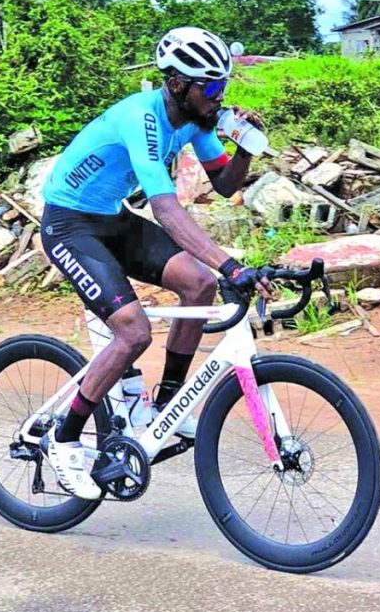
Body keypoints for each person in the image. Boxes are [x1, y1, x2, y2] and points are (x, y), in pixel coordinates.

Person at [39, 27, 270, 499]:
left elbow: (224, 185)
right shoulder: (140, 117)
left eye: (223, 86)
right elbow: (165, 207)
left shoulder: (195, 121)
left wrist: (247, 150)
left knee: (198, 284)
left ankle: (164, 406)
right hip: (68, 225)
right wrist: (232, 266)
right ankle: (63, 439)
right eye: (210, 87)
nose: (219, 96)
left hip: (111, 218)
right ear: (178, 83)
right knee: (133, 330)